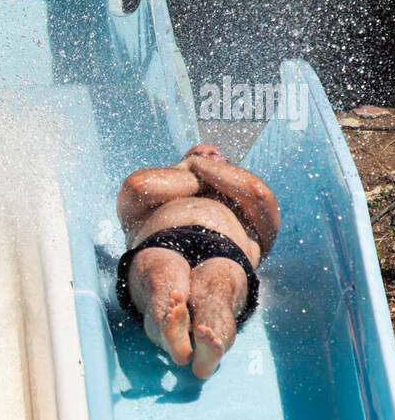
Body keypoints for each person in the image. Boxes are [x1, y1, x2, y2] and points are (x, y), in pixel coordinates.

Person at [115, 144, 280, 379]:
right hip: (162, 237)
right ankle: (170, 334)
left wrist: (194, 167)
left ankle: (211, 345)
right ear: (178, 167)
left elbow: (258, 192)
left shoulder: (247, 209)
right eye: (194, 156)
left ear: (231, 167)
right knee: (160, 278)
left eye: (213, 156)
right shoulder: (151, 202)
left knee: (219, 288)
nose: (203, 158)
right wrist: (201, 174)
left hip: (225, 246)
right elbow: (137, 186)